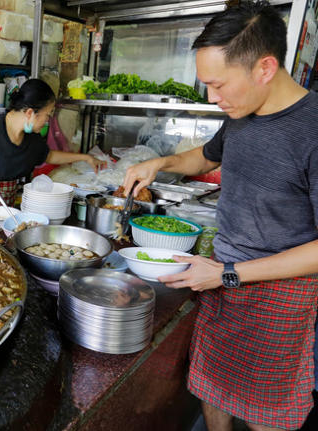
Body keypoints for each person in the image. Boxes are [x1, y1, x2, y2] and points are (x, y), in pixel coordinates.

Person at [121, 2, 318, 430]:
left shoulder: (312, 130)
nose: (212, 97)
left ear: (265, 68)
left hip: (277, 294)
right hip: (220, 274)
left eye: (218, 84)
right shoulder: (242, 114)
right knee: (211, 389)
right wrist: (160, 163)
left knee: (265, 411)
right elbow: (206, 157)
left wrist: (229, 274)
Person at [0, 79, 105, 215]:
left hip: (4, 212)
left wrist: (86, 158)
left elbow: (49, 156)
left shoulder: (32, 138)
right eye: (47, 115)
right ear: (30, 113)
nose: (48, 121)